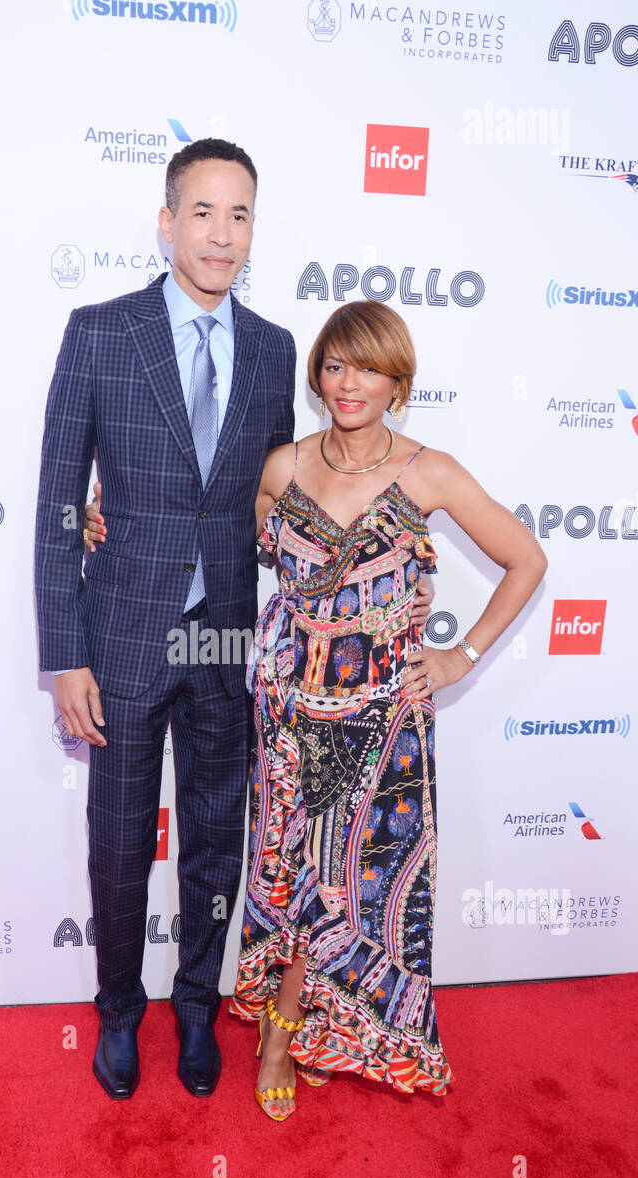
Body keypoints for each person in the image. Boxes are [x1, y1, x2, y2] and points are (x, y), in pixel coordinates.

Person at [88, 297, 547, 1119]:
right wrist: (105, 520)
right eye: (334, 366)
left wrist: (456, 657)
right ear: (316, 377)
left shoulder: (426, 472)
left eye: (367, 368)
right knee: (288, 874)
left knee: (347, 885)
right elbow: (215, 531)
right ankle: (278, 1021)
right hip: (286, 710)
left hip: (380, 723)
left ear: (396, 382)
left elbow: (525, 559)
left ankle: (287, 1030)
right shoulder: (283, 468)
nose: (348, 383)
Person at [34, 137, 299, 1101]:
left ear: (251, 232)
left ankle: (196, 1006)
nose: (220, 235)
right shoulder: (101, 331)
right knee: (117, 841)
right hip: (126, 634)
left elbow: (275, 496)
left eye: (239, 217)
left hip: (226, 635)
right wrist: (64, 654)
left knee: (216, 838)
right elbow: (61, 501)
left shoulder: (274, 349)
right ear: (166, 220)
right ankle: (116, 1012)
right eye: (202, 212)